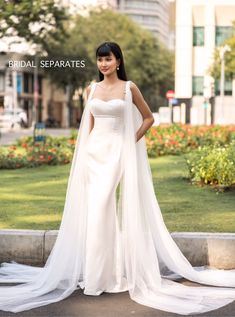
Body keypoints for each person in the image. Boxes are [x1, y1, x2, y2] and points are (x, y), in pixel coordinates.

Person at [0, 41, 235, 315]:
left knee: (100, 209)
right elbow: (87, 125)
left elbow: (148, 118)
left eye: (108, 59)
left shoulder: (129, 88)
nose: (103, 64)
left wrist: (129, 142)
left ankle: (102, 276)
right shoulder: (91, 89)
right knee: (98, 212)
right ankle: (101, 273)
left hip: (115, 156)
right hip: (93, 155)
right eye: (100, 60)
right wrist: (82, 154)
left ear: (118, 61)